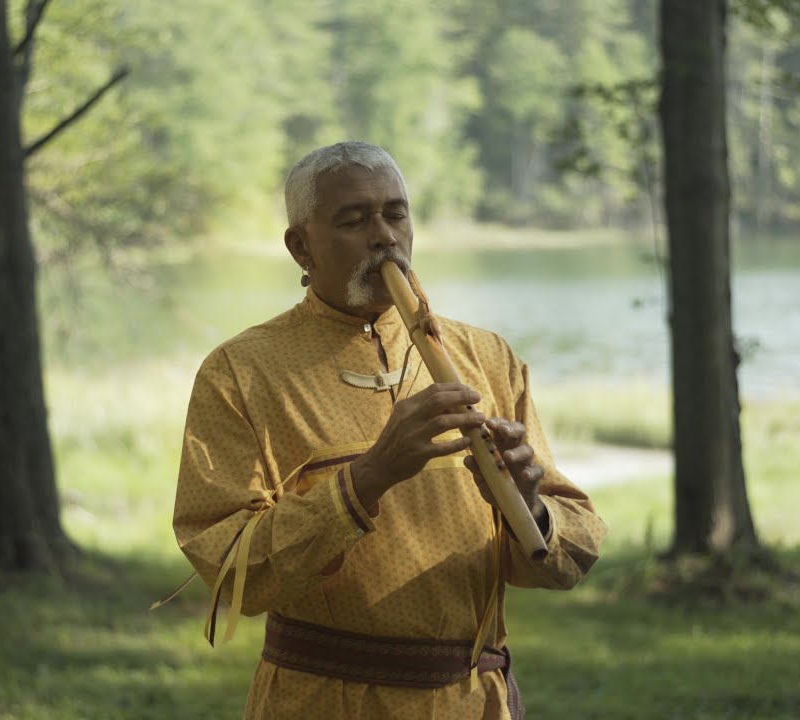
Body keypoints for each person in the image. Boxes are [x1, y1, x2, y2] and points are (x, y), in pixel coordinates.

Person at [172, 141, 607, 719]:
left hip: (474, 702)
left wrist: (528, 504)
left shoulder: (484, 356)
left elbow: (571, 553)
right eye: (353, 221)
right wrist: (368, 477)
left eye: (395, 214)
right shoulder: (241, 372)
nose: (383, 238)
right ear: (300, 246)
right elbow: (232, 571)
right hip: (323, 701)